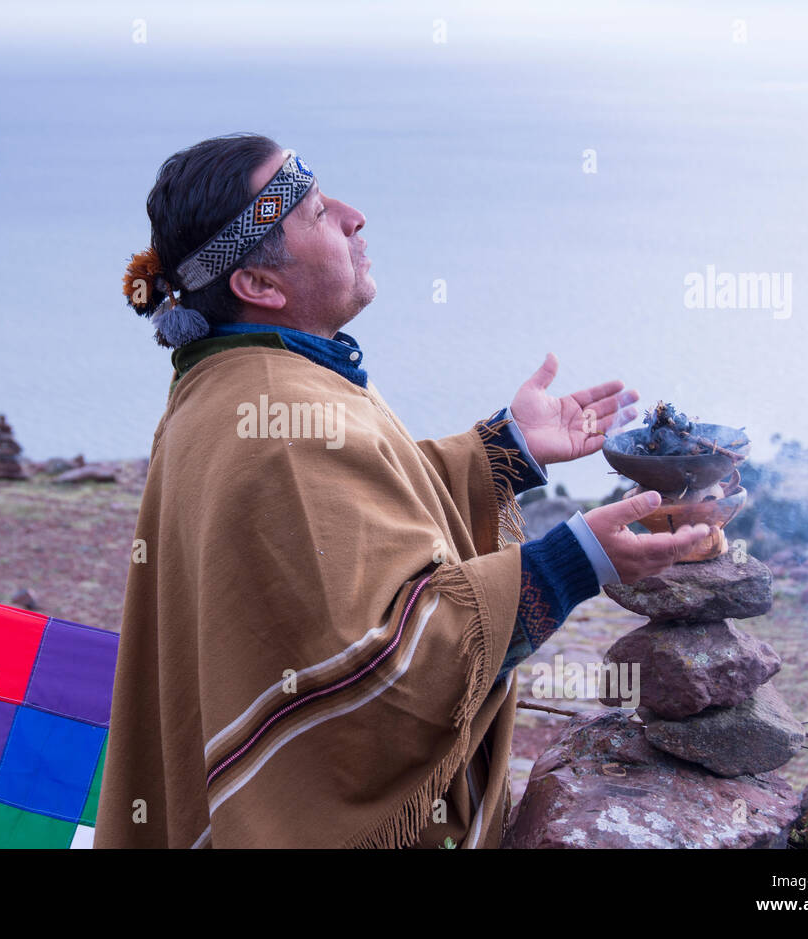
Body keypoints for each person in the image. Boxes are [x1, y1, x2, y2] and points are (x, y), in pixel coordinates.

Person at [94, 133, 711, 848]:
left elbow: (352, 518)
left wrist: (504, 452)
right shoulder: (281, 425)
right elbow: (390, 672)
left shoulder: (240, 381)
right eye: (319, 211)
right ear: (259, 286)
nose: (356, 217)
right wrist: (577, 562)